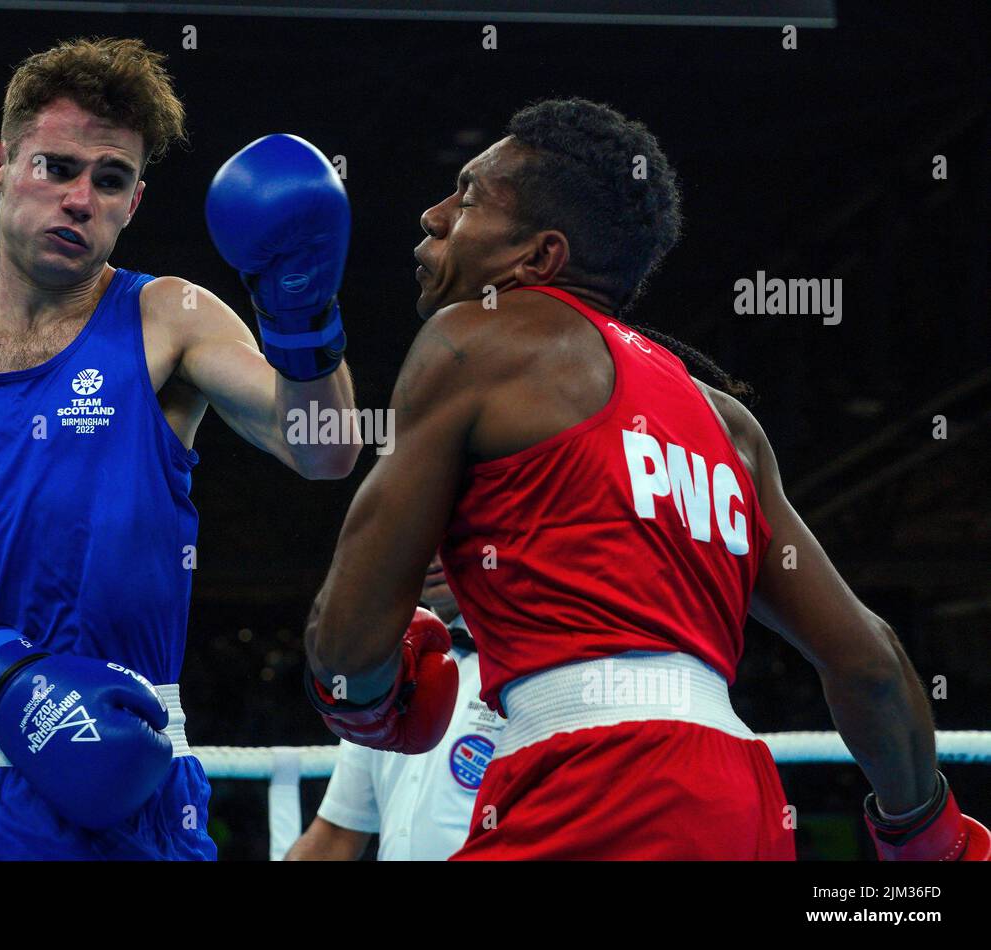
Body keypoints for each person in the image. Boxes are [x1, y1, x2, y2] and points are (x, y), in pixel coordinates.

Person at [302, 97, 988, 860]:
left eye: (465, 199)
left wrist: (370, 701)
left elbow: (348, 642)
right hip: (740, 799)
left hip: (592, 787)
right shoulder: (728, 424)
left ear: (537, 259)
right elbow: (870, 662)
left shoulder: (473, 341)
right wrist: (925, 841)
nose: (432, 216)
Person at [0, 36, 359, 860]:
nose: (79, 198)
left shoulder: (171, 318)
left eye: (108, 179)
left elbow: (324, 450)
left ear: (134, 202)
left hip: (132, 787)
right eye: (55, 167)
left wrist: (305, 313)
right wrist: (14, 685)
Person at [287, 556, 502, 860]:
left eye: (446, 529)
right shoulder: (388, 668)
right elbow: (337, 834)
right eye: (419, 535)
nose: (431, 555)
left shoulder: (526, 661)